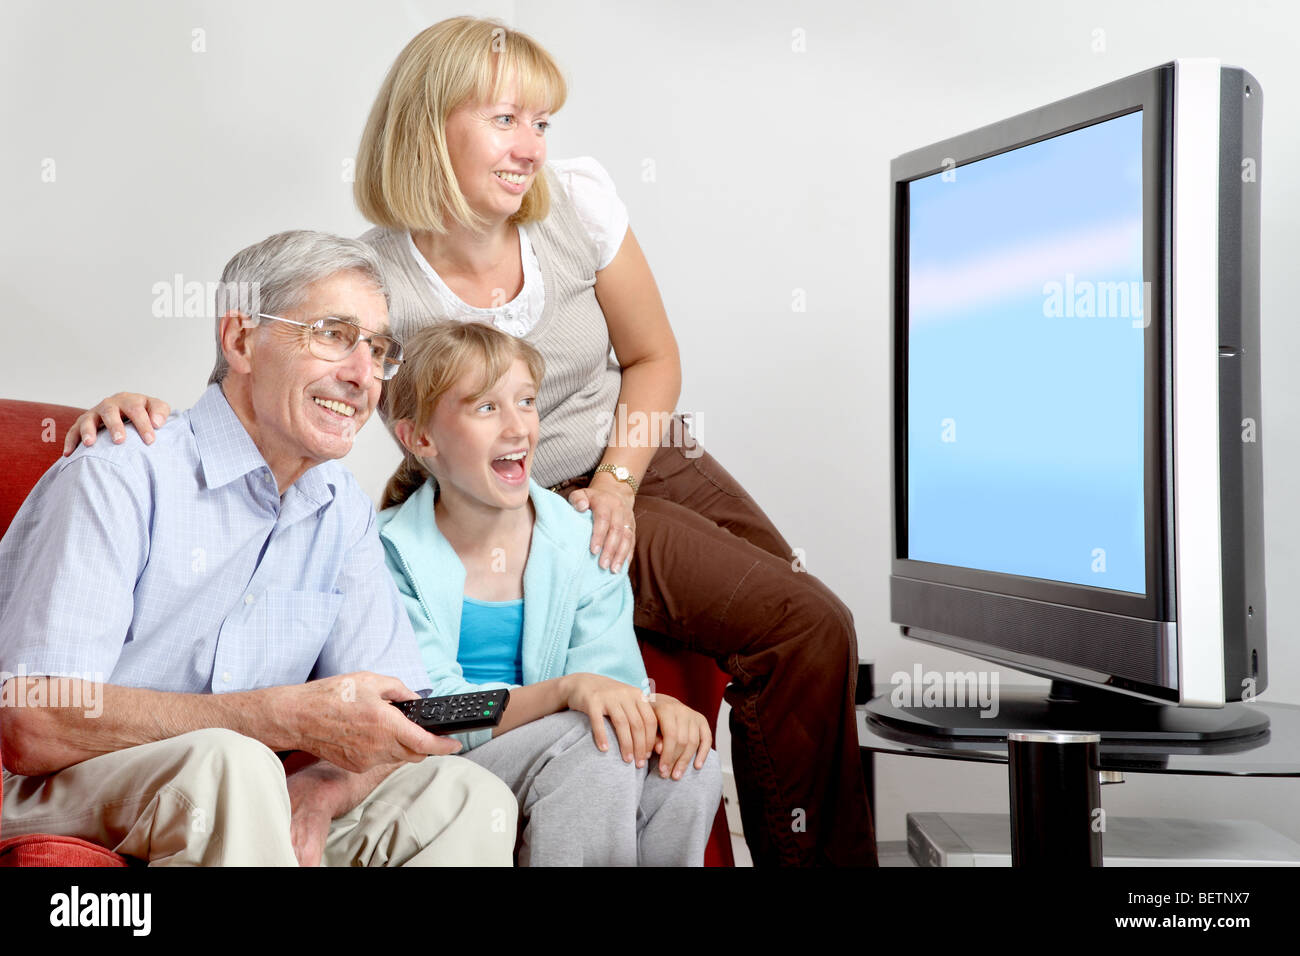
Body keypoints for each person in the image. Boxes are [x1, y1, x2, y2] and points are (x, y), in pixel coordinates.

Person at [63, 16, 876, 866]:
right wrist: (137, 412)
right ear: (429, 127)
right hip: (529, 498)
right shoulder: (377, 281)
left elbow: (652, 356)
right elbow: (267, 373)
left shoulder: (580, 204)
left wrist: (622, 484)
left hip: (638, 454)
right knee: (797, 629)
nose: (531, 147)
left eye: (541, 122)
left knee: (816, 629)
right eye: (504, 119)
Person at [3, 230, 517, 866]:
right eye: (334, 334)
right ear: (241, 339)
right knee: (233, 761)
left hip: (234, 796)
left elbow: (396, 723)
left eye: (379, 350)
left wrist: (322, 790)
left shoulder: (341, 508)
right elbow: (34, 722)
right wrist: (278, 719)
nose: (363, 375)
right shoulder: (121, 472)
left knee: (461, 794)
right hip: (62, 785)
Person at [378, 320, 721, 865]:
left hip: (559, 752)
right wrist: (564, 693)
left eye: (527, 401)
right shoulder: (386, 553)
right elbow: (429, 714)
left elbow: (613, 685)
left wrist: (658, 708)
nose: (517, 427)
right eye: (486, 408)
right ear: (421, 439)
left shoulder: (580, 537)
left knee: (685, 766)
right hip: (434, 771)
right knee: (596, 745)